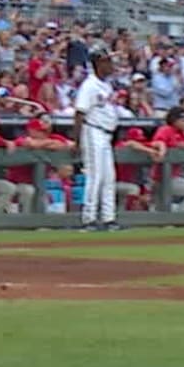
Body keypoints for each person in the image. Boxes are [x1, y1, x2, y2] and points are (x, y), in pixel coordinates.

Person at [74, 45, 123, 231]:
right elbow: (79, 113)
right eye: (107, 61)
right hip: (93, 131)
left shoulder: (106, 84)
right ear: (98, 63)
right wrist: (77, 141)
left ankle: (109, 218)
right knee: (95, 177)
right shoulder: (89, 85)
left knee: (109, 177)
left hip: (106, 134)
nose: (111, 65)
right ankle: (89, 219)